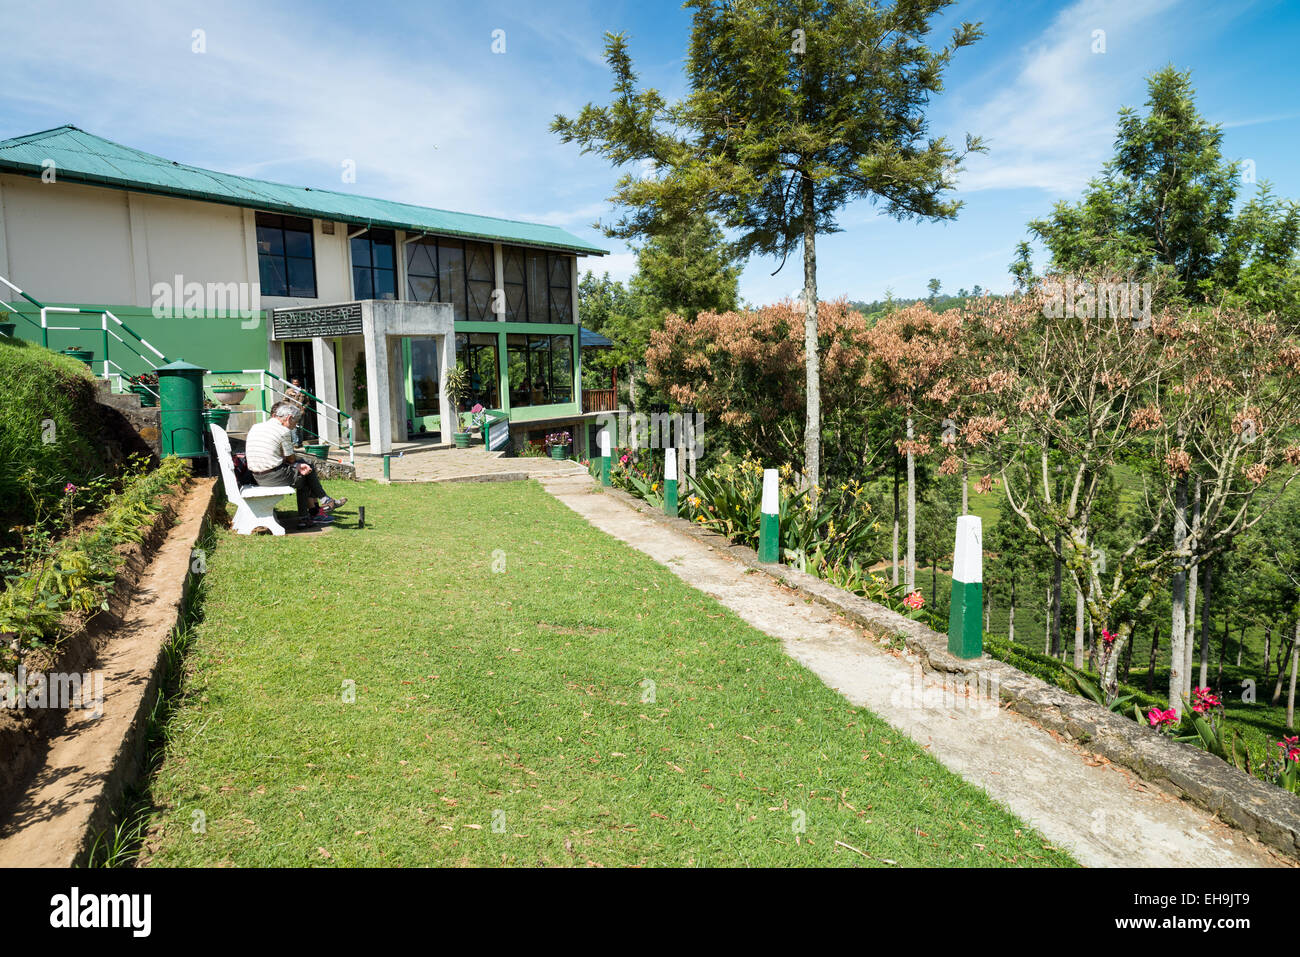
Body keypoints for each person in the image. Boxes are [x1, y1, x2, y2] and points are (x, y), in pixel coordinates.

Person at [246, 401, 347, 529]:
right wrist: (296, 465)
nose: (294, 427)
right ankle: (318, 506)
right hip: (272, 476)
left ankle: (317, 508)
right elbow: (291, 459)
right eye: (295, 423)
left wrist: (295, 465)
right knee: (305, 477)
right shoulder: (283, 431)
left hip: (256, 476)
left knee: (305, 469)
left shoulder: (256, 426)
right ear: (288, 418)